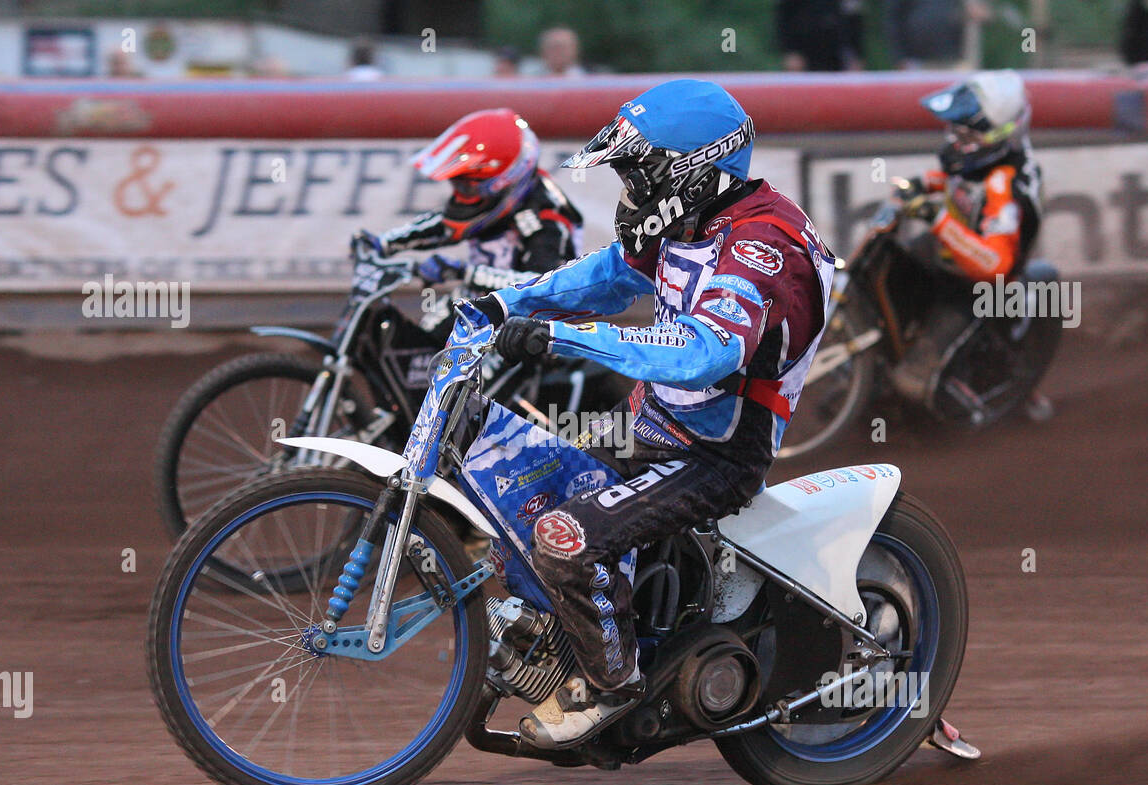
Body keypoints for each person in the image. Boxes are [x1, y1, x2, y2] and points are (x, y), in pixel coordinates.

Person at [462, 79, 835, 748]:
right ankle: (561, 639)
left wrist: (560, 335)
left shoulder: (761, 247)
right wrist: (508, 304)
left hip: (715, 457)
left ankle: (612, 686)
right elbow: (607, 275)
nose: (630, 191)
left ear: (691, 173)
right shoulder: (694, 219)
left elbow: (705, 353)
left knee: (565, 537)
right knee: (508, 481)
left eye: (639, 173)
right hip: (651, 429)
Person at [891, 69, 1052, 419]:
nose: (954, 142)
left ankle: (988, 402)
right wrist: (925, 186)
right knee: (892, 273)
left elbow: (995, 265)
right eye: (954, 131)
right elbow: (957, 183)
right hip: (948, 260)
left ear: (999, 135)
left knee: (911, 384)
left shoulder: (1007, 185)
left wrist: (937, 219)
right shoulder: (984, 160)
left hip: (981, 291)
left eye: (965, 136)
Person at [357, 108, 584, 333]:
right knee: (420, 339)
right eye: (457, 184)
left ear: (504, 181)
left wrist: (464, 272)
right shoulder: (496, 201)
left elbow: (544, 286)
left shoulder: (547, 215)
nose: (461, 194)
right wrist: (384, 243)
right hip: (481, 297)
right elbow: (444, 225)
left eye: (468, 186)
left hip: (532, 324)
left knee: (457, 366)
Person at [885, 0, 991, 70]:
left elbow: (983, 13)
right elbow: (893, 19)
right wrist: (900, 57)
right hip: (917, 61)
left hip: (955, 61)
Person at [775, 0, 862, 71]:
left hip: (838, 50)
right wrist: (790, 50)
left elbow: (854, 20)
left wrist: (856, 55)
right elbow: (783, 16)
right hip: (803, 48)